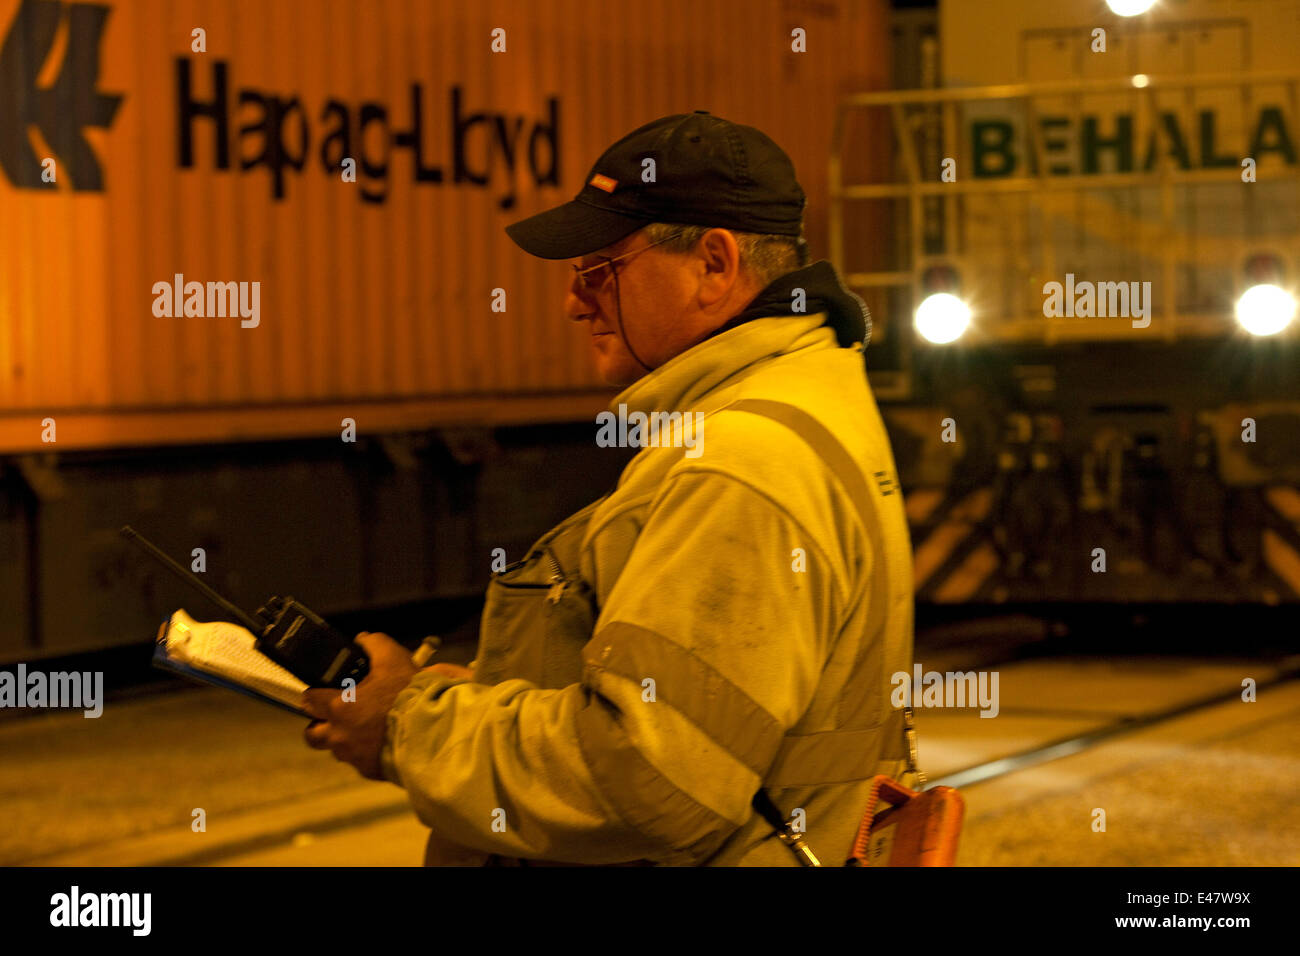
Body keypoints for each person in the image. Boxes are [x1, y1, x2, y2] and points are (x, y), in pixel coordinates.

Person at [303, 111, 916, 866]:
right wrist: (491, 699)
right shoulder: (809, 398)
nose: (573, 301)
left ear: (714, 264)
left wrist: (408, 723)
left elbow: (648, 782)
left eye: (599, 270)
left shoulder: (739, 463)